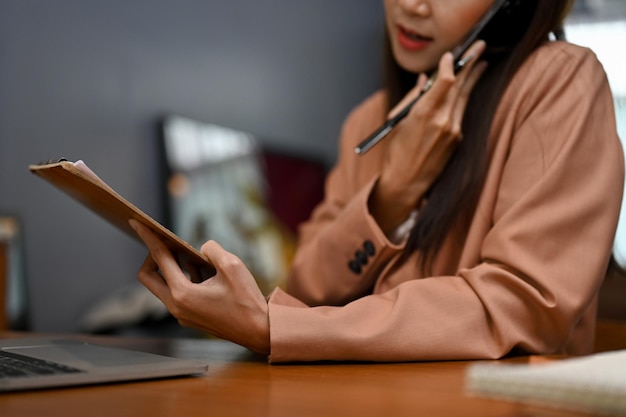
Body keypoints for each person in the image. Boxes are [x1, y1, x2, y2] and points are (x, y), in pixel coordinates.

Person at [129, 0, 624, 362]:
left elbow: (523, 306)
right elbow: (308, 290)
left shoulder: (559, 81)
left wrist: (275, 328)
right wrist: (393, 193)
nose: (412, 5)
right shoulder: (367, 122)